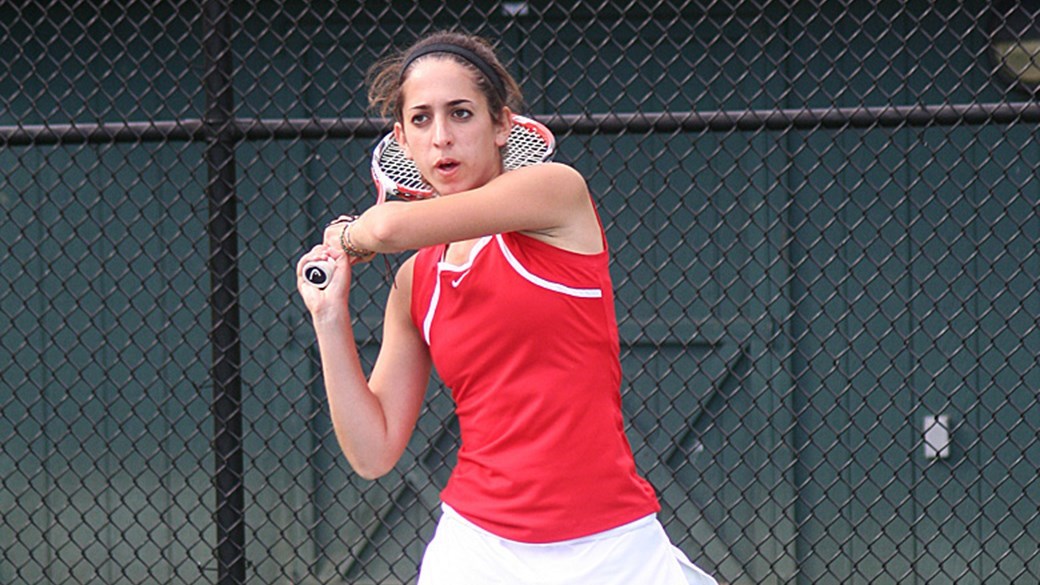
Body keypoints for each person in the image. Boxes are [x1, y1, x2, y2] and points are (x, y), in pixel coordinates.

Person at [295, 30, 718, 585]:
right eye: (421, 120)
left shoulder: (555, 195)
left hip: (613, 547)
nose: (442, 137)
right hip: (478, 549)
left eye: (461, 114)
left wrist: (351, 237)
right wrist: (329, 318)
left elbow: (390, 226)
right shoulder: (414, 282)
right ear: (401, 139)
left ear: (502, 127)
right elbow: (372, 453)